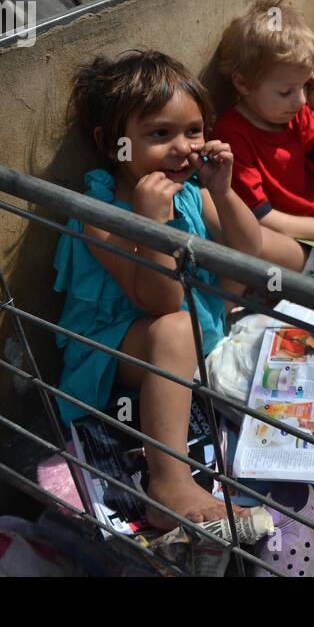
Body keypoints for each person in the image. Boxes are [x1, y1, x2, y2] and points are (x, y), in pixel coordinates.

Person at [55, 50, 262, 530]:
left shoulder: (192, 191)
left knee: (227, 267)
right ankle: (167, 479)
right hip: (118, 343)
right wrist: (152, 226)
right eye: (159, 134)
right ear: (113, 145)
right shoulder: (98, 213)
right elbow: (159, 302)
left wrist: (225, 192)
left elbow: (250, 259)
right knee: (174, 328)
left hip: (190, 319)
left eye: (194, 131)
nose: (183, 148)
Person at [212, 0, 314, 271]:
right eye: (286, 92)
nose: (301, 101)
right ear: (243, 83)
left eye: (304, 87)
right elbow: (261, 217)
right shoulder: (232, 136)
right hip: (285, 231)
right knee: (263, 247)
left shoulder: (295, 114)